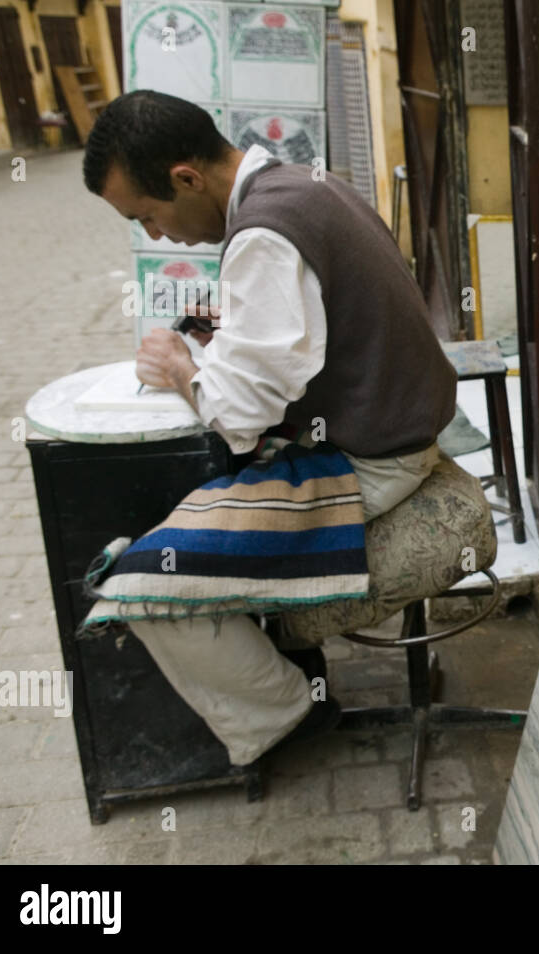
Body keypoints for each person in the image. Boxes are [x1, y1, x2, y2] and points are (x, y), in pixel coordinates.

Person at [82, 90, 457, 765]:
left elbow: (241, 420)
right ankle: (287, 674)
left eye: (150, 216)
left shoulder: (262, 234)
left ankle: (287, 709)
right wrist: (234, 331)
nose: (159, 236)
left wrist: (180, 370)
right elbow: (320, 325)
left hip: (374, 458)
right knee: (190, 522)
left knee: (135, 587)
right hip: (395, 428)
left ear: (186, 178)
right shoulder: (300, 186)